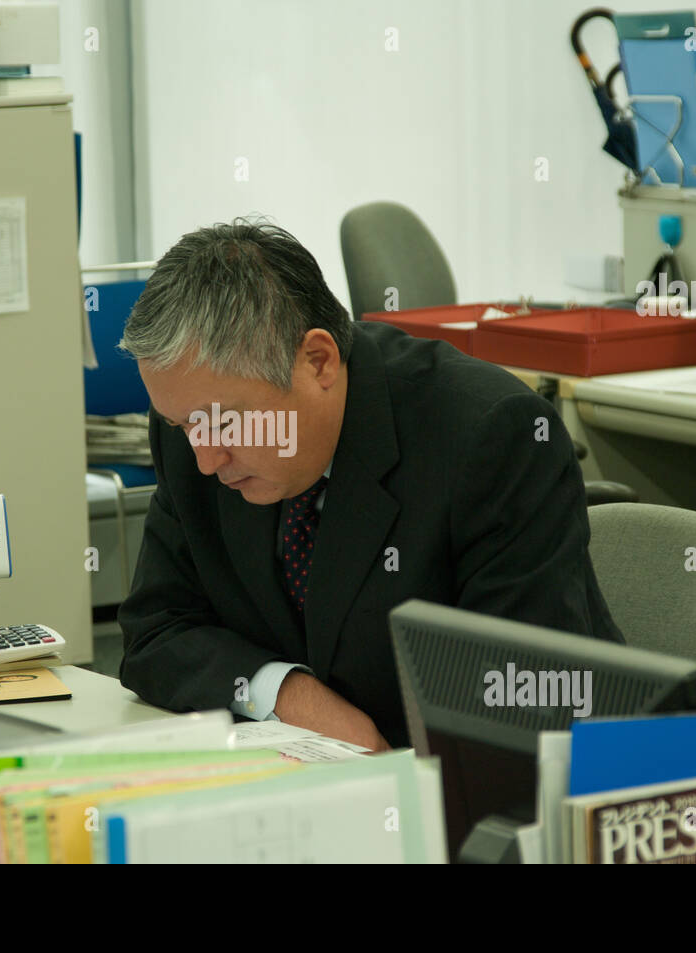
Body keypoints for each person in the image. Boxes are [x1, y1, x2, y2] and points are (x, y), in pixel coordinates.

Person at [117, 219, 622, 750]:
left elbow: (525, 694)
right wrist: (288, 695)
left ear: (318, 361)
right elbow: (155, 633)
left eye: (224, 423)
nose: (204, 458)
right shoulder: (193, 427)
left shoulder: (490, 437)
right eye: (182, 426)